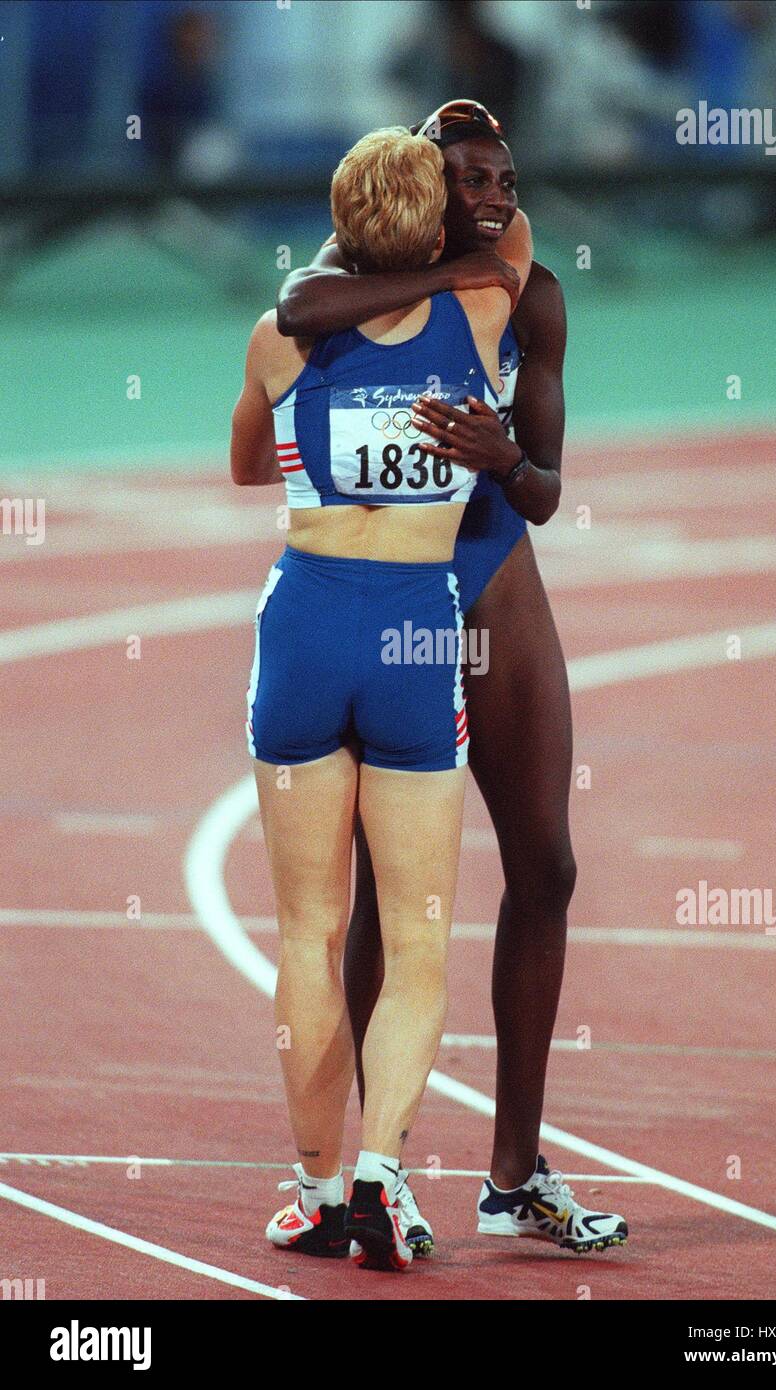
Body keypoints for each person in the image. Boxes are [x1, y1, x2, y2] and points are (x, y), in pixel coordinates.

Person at [276, 101, 628, 1256]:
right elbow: (299, 306)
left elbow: (544, 491)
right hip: (394, 608)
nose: (491, 196)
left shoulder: (532, 299)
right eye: (465, 178)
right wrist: (436, 276)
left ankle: (514, 1171)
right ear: (427, 191)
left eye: (504, 180)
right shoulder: (367, 265)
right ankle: (375, 1170)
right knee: (391, 898)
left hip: (495, 589)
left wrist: (504, 456)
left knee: (548, 863)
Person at [231, 125, 531, 1270]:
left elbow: (245, 465)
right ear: (443, 219)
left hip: (302, 619)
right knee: (412, 938)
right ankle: (381, 1179)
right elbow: (511, 227)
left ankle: (311, 1191)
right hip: (411, 628)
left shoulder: (278, 336)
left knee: (308, 933)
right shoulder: (484, 307)